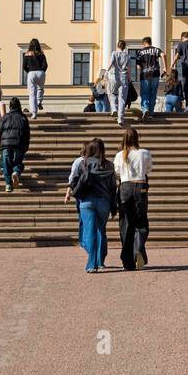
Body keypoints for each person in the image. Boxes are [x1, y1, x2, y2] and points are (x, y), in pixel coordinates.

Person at [65, 138, 118, 273]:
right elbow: (113, 187)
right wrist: (114, 205)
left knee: (90, 232)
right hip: (104, 201)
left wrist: (71, 193)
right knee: (101, 230)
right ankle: (100, 261)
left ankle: (91, 264)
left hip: (86, 201)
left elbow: (74, 181)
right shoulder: (109, 165)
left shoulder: (83, 163)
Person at [113, 127, 153, 270]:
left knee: (126, 224)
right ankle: (139, 247)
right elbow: (149, 170)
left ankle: (128, 261)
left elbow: (116, 172)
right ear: (137, 138)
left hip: (125, 188)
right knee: (141, 221)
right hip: (140, 187)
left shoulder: (119, 155)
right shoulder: (145, 153)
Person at [0, 96, 30, 193]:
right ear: (19, 106)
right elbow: (27, 133)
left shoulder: (5, 117)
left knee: (6, 164)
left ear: (10, 106)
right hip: (19, 144)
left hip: (6, 144)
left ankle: (8, 184)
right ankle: (16, 172)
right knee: (18, 163)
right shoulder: (23, 117)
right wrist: (26, 146)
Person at [106, 39, 133, 126]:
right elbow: (129, 69)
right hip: (124, 78)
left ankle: (114, 109)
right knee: (122, 99)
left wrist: (106, 71)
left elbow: (111, 63)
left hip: (114, 77)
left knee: (112, 94)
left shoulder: (114, 53)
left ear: (117, 46)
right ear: (124, 47)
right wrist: (129, 79)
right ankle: (120, 119)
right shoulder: (127, 55)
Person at [136, 36, 164, 118]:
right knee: (153, 93)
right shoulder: (156, 50)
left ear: (144, 43)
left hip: (145, 76)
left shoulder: (140, 52)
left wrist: (141, 69)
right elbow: (163, 55)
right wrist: (165, 67)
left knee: (145, 93)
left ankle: (145, 109)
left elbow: (138, 67)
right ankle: (151, 112)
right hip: (155, 74)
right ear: (150, 42)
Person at [23, 38, 48, 116]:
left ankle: (34, 113)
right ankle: (39, 101)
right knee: (40, 88)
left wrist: (29, 71)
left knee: (32, 94)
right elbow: (45, 65)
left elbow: (24, 66)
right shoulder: (41, 54)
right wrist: (42, 71)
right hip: (41, 73)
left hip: (31, 73)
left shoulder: (27, 54)